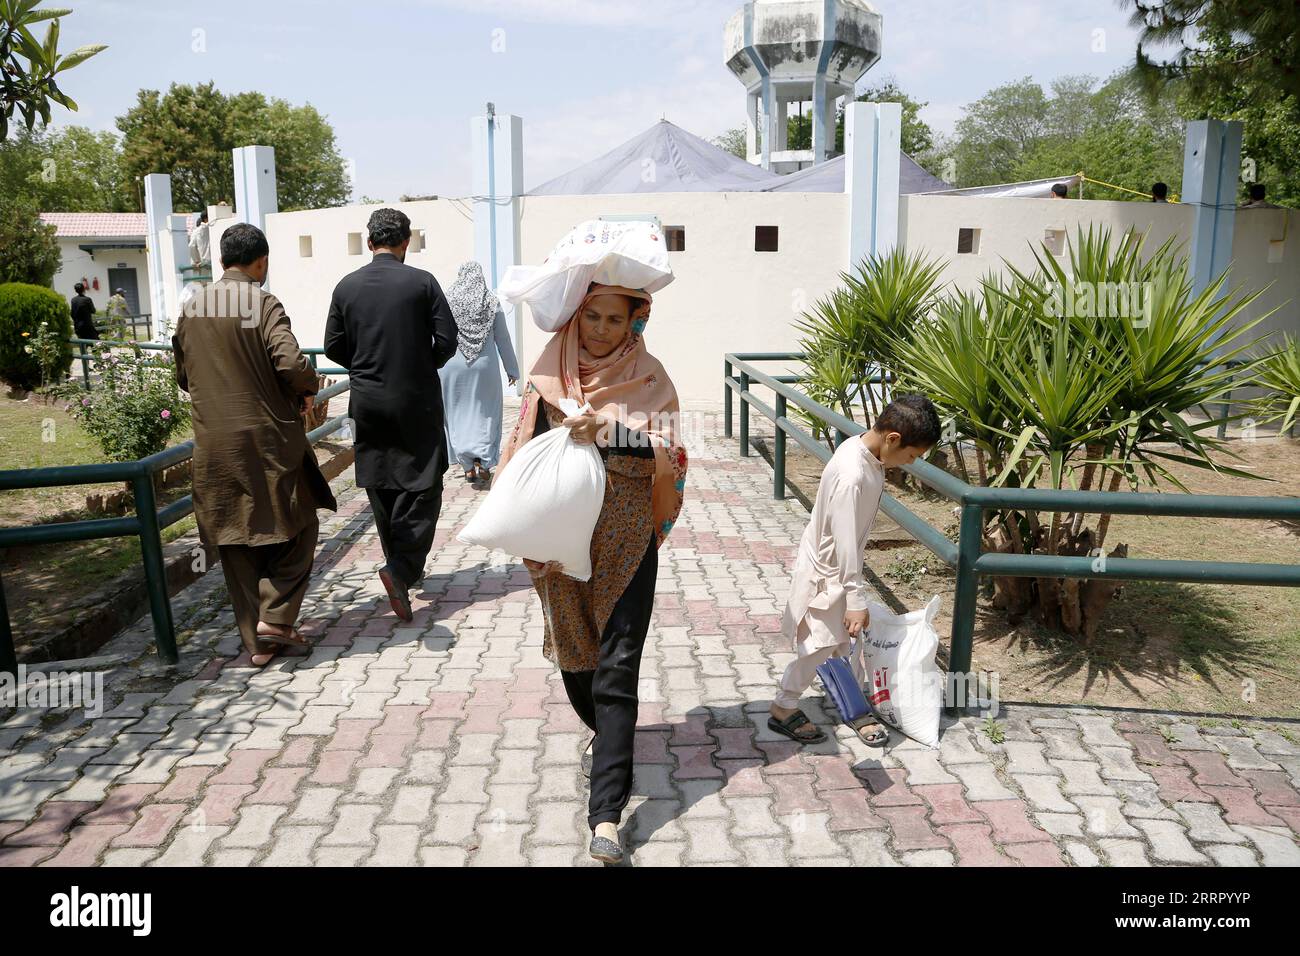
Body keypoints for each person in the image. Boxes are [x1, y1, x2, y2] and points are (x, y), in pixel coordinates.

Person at [499, 282, 688, 865]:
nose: (601, 330)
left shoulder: (650, 377)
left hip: (628, 541)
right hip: (562, 542)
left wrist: (610, 433)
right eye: (592, 317)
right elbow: (522, 458)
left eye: (614, 319)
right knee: (577, 656)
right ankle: (605, 733)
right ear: (576, 317)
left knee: (617, 668)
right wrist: (530, 537)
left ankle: (605, 814)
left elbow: (674, 455)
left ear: (635, 322)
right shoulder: (548, 376)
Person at [172, 222, 337, 667]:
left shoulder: (193, 308)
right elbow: (289, 361)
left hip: (214, 444)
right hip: (267, 438)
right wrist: (306, 386)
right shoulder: (262, 302)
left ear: (223, 261)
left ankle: (259, 645)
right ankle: (277, 617)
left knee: (234, 539)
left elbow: (184, 377)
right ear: (260, 261)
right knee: (301, 521)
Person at [769, 394, 941, 747]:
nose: (909, 463)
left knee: (843, 644)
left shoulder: (864, 452)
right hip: (829, 572)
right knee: (819, 646)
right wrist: (855, 598)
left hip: (836, 567)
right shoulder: (853, 476)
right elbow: (845, 543)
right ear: (893, 438)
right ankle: (784, 707)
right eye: (911, 455)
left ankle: (855, 708)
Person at [324, 208, 458, 621]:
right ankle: (400, 568)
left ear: (369, 243)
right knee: (423, 481)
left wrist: (365, 365)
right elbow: (448, 339)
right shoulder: (422, 282)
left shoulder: (346, 287)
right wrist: (421, 361)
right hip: (416, 397)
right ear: (406, 242)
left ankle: (398, 566)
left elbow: (332, 346)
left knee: (380, 478)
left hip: (366, 399)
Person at [441, 260, 520, 485]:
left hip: (451, 368)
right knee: (486, 413)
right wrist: (512, 369)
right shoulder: (491, 302)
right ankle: (484, 462)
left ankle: (467, 466)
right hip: (484, 368)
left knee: (456, 415)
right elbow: (502, 339)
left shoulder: (447, 301)